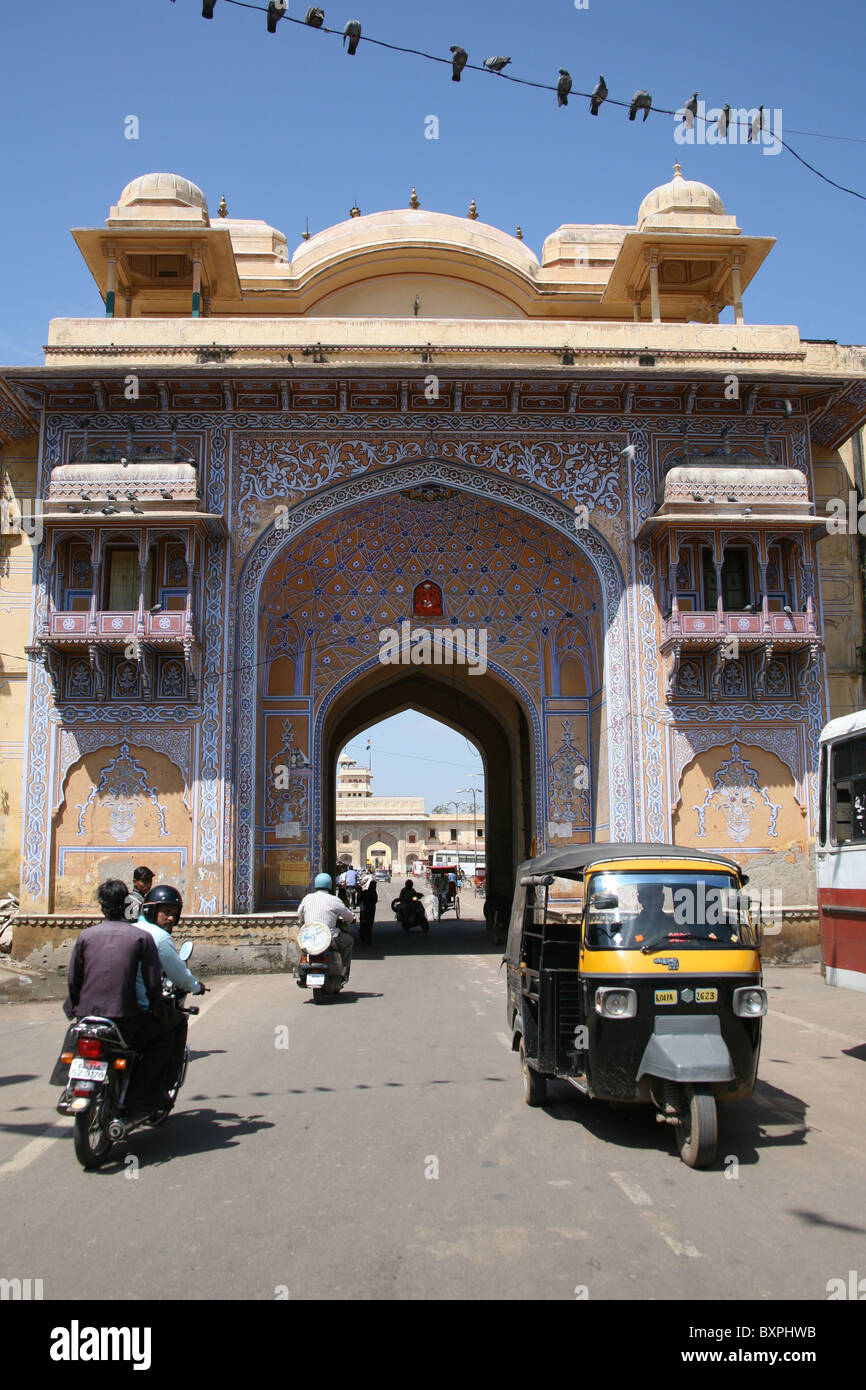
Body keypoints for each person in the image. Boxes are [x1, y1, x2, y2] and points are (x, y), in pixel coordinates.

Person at [63, 879, 178, 1112]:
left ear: (101, 905)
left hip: (88, 1014)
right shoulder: (139, 937)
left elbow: (74, 979)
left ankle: (66, 1086)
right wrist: (157, 1009)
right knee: (163, 1035)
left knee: (75, 1034)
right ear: (127, 904)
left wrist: (74, 1007)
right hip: (124, 1016)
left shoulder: (86, 936)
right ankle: (145, 1094)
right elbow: (152, 982)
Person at [136, 885, 207, 1098]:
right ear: (151, 911)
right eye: (166, 913)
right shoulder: (159, 937)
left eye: (173, 915)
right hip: (140, 1006)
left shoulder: (129, 929)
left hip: (98, 1005)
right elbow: (178, 972)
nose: (170, 919)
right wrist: (195, 986)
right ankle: (162, 1086)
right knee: (174, 1027)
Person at [297, 872, 355, 979]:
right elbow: (348, 916)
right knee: (349, 942)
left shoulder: (307, 898)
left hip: (309, 936)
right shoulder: (334, 900)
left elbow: (299, 914)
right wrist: (351, 918)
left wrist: (302, 921)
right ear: (330, 885)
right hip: (329, 936)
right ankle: (344, 971)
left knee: (303, 948)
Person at [357, 872, 378, 947]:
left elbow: (359, 900)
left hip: (364, 911)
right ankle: (368, 938)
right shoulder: (374, 893)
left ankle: (363, 937)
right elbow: (375, 901)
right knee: (369, 925)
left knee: (363, 924)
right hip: (370, 911)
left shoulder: (365, 892)